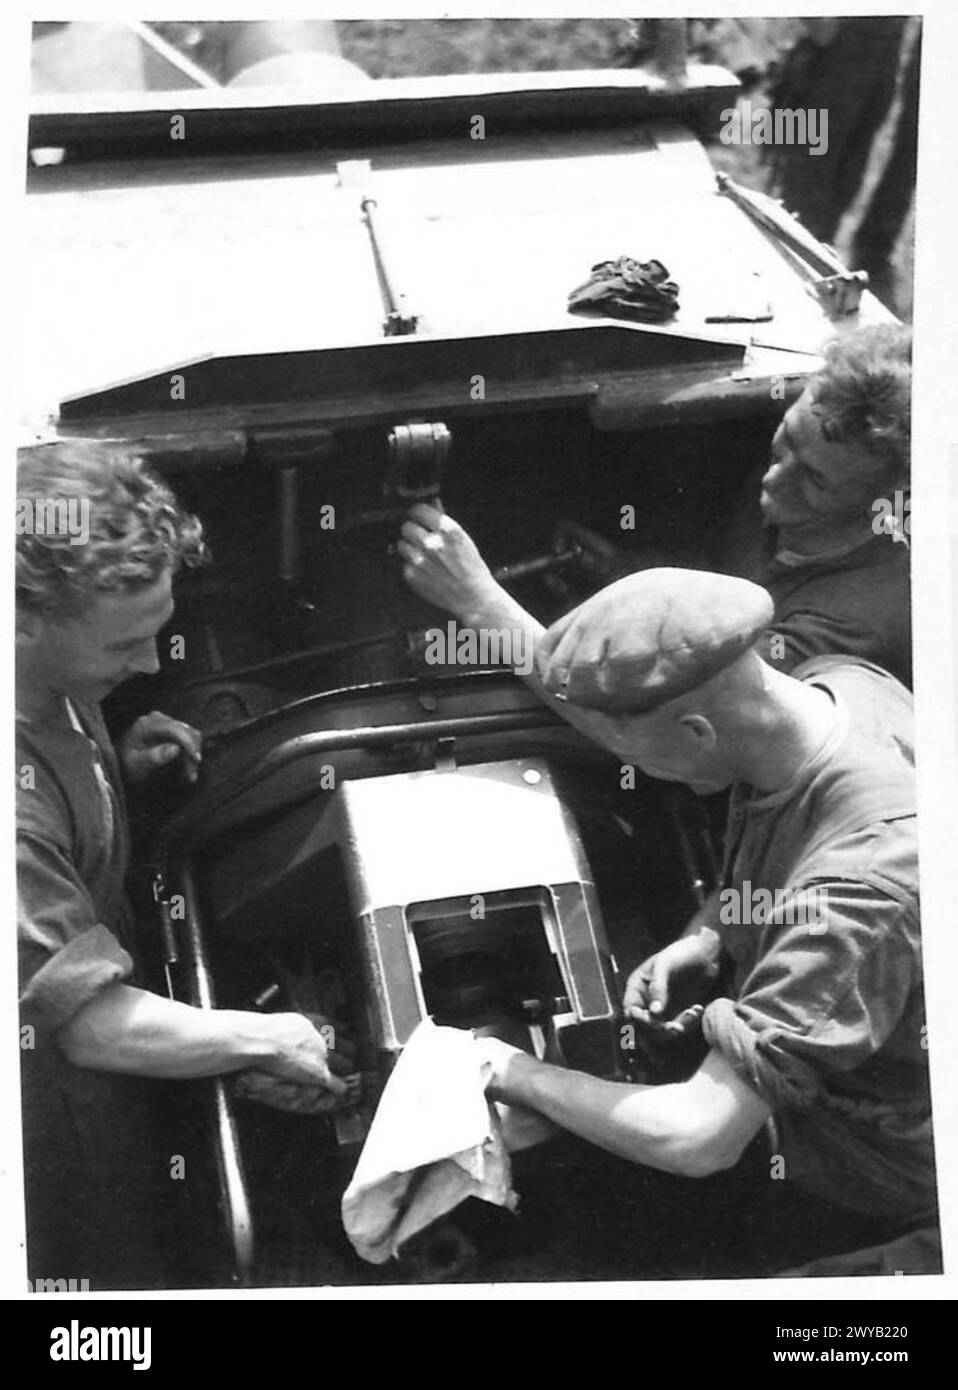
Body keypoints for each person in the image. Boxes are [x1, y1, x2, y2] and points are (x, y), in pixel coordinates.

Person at [398, 533, 937, 1274]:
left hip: (877, 1159)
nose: (641, 772)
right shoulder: (831, 691)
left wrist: (506, 1070)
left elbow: (696, 1137)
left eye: (641, 757)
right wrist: (710, 933)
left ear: (698, 730)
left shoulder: (860, 890)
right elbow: (792, 850)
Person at [16, 441, 346, 1288]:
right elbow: (91, 1025)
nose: (150, 664)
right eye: (124, 644)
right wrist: (262, 1035)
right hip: (56, 1118)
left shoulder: (49, 686)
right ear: (20, 619)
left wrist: (111, 769)